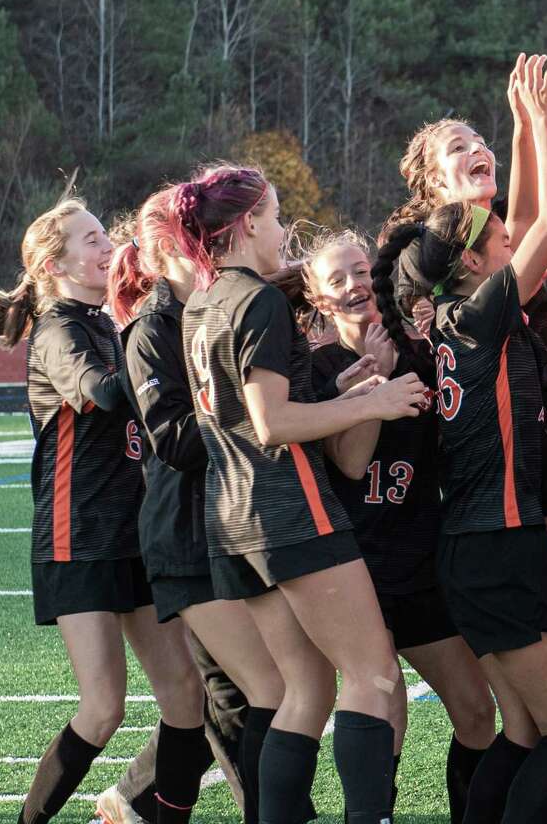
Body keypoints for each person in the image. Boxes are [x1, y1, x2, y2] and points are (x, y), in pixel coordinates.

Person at [390, 0, 547, 824]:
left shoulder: (460, 281)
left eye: (480, 139)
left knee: (543, 699)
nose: (478, 148)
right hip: (495, 510)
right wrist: (543, 109)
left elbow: (531, 191)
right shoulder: (472, 286)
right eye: (458, 147)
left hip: (509, 487)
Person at [171, 163, 429, 824]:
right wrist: (378, 400)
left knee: (306, 691)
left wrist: (342, 393)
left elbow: (244, 413)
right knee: (374, 675)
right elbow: (271, 424)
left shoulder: (201, 301)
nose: (283, 231)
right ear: (246, 224)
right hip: (290, 511)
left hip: (232, 519)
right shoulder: (258, 300)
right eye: (276, 216)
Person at [0, 194, 209, 824]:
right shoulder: (59, 329)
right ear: (54, 264)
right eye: (91, 239)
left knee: (187, 696)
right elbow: (104, 392)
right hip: (78, 536)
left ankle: (149, 814)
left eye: (104, 236)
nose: (107, 246)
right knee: (103, 709)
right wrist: (156, 344)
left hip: (135, 533)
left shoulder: (106, 324)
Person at [285, 227, 496, 822]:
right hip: (356, 568)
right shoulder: (318, 368)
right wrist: (372, 381)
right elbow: (352, 463)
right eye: (337, 279)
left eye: (360, 271)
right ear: (319, 298)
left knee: (477, 711)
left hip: (422, 561)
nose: (355, 286)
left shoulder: (423, 352)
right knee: (386, 708)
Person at [108, 185, 303, 824]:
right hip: (187, 537)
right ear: (173, 247)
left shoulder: (220, 306)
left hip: (232, 526)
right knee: (270, 690)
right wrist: (253, 411)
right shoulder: (151, 329)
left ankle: (143, 803)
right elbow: (173, 441)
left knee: (236, 701)